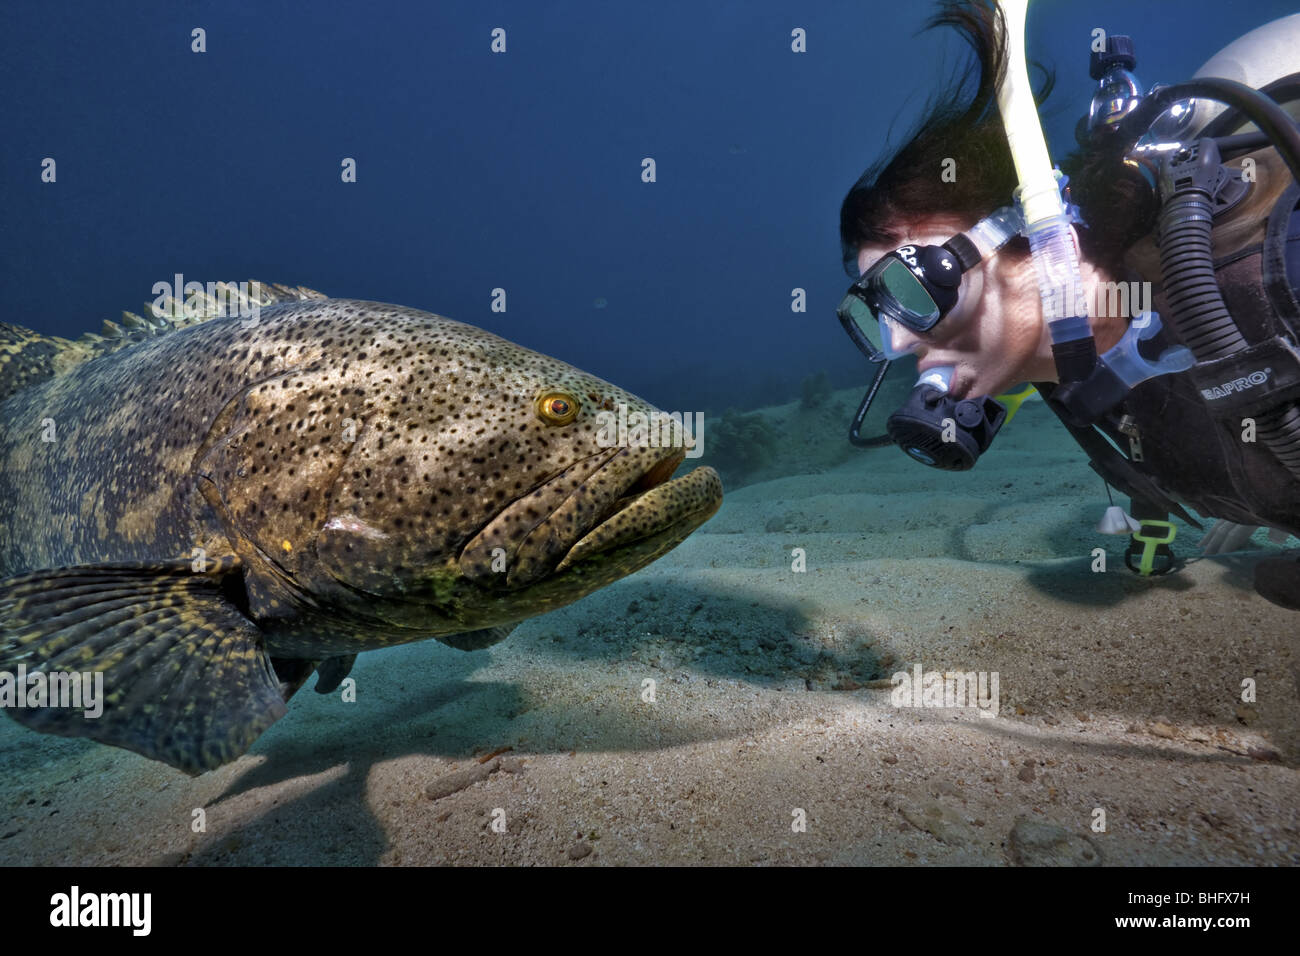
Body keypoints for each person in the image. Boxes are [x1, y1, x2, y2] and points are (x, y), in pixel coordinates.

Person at [836, 0, 1300, 608]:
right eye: (875, 320)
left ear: (1033, 232)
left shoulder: (1266, 265)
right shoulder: (1075, 383)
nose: (898, 344)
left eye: (915, 286)